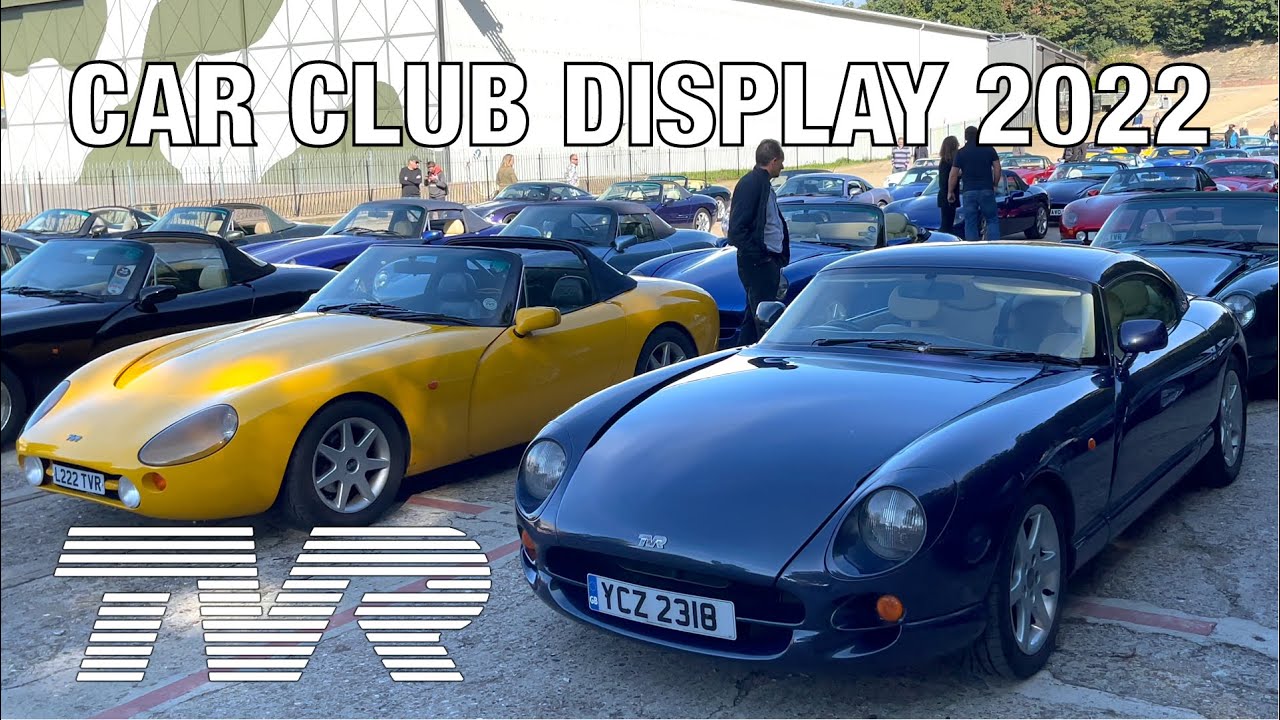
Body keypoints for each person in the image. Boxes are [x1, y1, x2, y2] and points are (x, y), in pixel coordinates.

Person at [727, 139, 790, 345]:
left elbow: (771, 223)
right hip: (758, 264)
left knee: (754, 317)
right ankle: (760, 362)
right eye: (781, 162)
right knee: (763, 319)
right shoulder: (751, 184)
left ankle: (743, 357)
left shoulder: (763, 185)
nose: (782, 166)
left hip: (766, 261)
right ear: (773, 161)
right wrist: (761, 257)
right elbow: (736, 231)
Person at [947, 125, 1001, 241]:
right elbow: (997, 167)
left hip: (969, 191)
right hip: (987, 189)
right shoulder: (989, 149)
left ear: (965, 137)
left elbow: (953, 174)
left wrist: (950, 191)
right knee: (992, 220)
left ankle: (973, 250)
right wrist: (995, 184)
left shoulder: (961, 153)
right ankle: (995, 247)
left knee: (970, 221)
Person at [936, 135, 960, 235]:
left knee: (947, 223)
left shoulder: (944, 161)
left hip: (945, 194)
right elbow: (948, 179)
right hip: (949, 195)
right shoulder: (950, 162)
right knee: (947, 225)